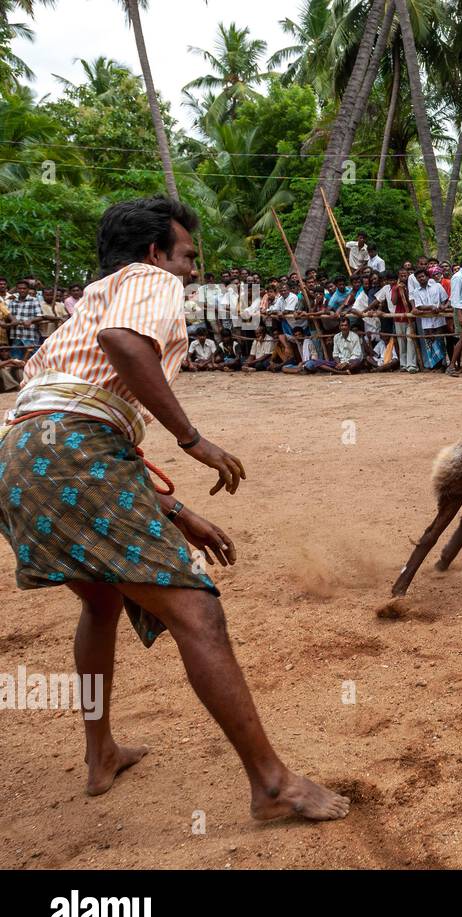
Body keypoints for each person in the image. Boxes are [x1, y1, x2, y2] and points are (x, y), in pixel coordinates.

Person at [0, 195, 347, 820]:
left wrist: (175, 511)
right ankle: (272, 785)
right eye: (187, 255)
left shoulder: (90, 300)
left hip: (24, 454)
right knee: (197, 612)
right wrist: (194, 441)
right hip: (74, 450)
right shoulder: (147, 280)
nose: (192, 270)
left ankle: (100, 753)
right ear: (157, 252)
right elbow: (123, 349)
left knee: (101, 601)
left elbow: (83, 415)